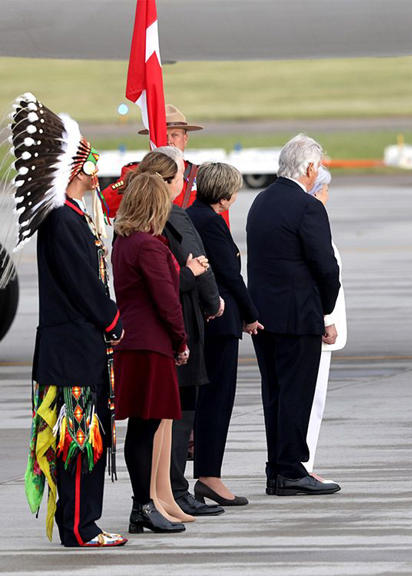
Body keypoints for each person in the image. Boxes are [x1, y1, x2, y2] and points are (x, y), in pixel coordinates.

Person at [12, 93, 127, 547]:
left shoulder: (73, 216)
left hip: (78, 347)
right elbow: (83, 284)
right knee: (79, 439)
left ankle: (82, 524)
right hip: (73, 350)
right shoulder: (63, 220)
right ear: (79, 169)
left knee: (84, 437)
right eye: (92, 159)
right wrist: (113, 320)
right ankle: (81, 526)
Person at [247, 134, 341, 496]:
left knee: (275, 393)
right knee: (296, 393)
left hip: (264, 316)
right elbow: (325, 267)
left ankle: (277, 468)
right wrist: (326, 310)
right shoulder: (307, 207)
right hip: (298, 315)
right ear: (310, 167)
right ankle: (290, 469)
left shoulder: (261, 201)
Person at [134, 148, 225, 517]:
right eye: (178, 178)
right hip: (181, 320)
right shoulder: (174, 216)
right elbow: (196, 262)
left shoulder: (140, 221)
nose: (182, 184)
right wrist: (214, 300)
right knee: (179, 409)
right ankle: (174, 488)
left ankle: (166, 491)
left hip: (164, 321)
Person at [112, 171, 189, 533]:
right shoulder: (148, 245)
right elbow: (166, 300)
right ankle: (143, 504)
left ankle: (141, 504)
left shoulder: (124, 241)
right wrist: (180, 340)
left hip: (133, 339)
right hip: (151, 342)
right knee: (146, 427)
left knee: (141, 429)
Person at [187, 162, 262, 505]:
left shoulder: (192, 215)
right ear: (227, 194)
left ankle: (205, 475)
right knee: (218, 400)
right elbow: (231, 276)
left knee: (205, 400)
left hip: (205, 322)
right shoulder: (211, 223)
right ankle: (209, 476)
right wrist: (251, 315)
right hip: (220, 323)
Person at [102, 104, 230, 224]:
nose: (169, 141)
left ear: (185, 139)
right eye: (163, 135)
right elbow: (105, 206)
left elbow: (220, 223)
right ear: (152, 140)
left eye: (175, 135)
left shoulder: (200, 176)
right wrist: (140, 177)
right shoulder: (135, 171)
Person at [303, 166, 347, 474]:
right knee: (311, 400)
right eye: (324, 190)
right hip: (317, 326)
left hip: (313, 322)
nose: (327, 196)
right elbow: (324, 275)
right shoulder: (312, 222)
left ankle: (303, 462)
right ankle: (303, 463)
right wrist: (327, 318)